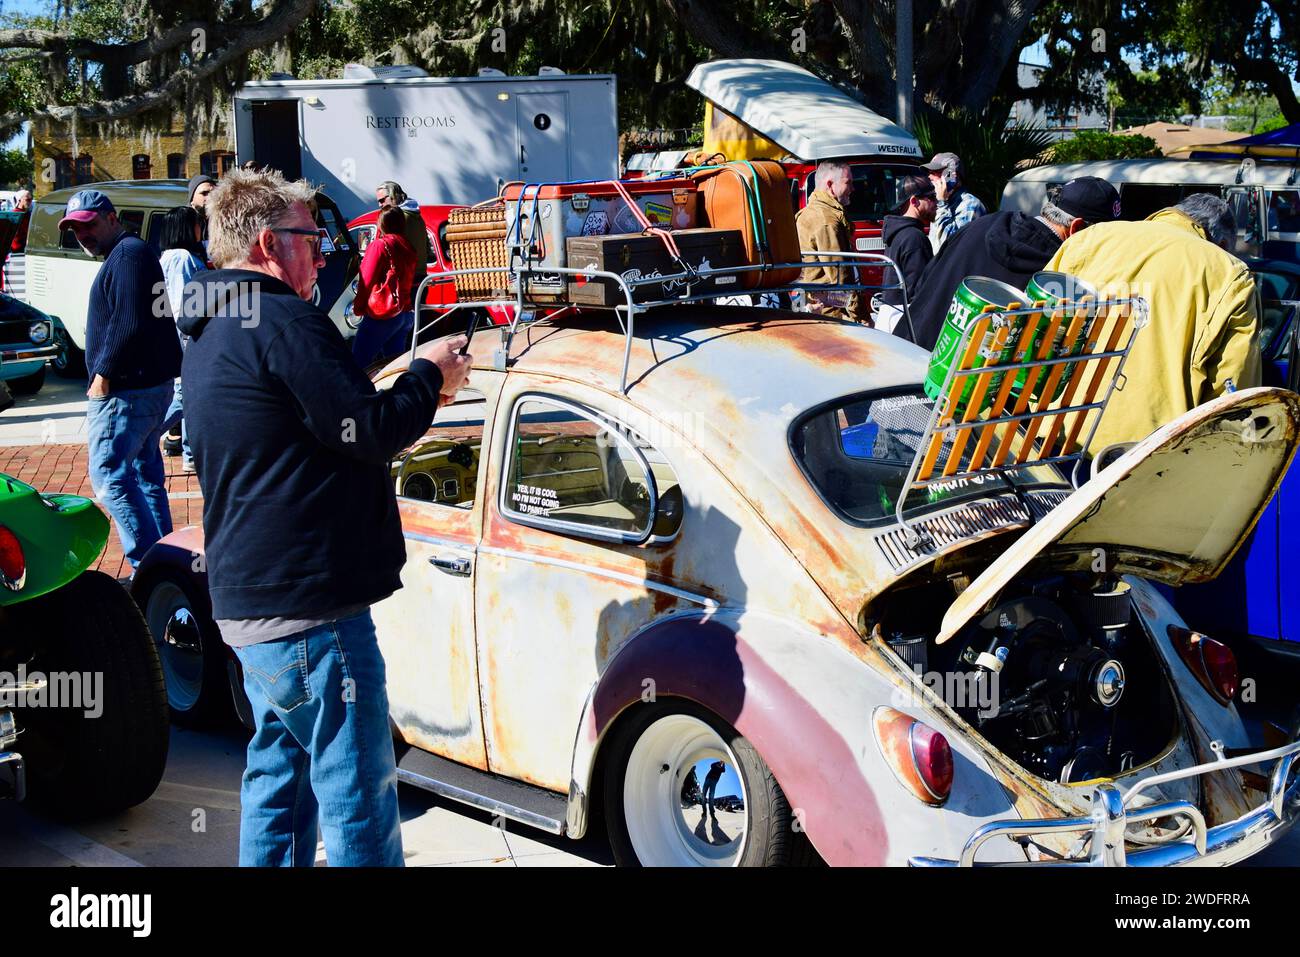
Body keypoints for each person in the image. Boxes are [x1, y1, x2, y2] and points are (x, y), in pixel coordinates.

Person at [177, 167, 472, 867]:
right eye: (312, 238)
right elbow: (366, 429)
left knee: (279, 784)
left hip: (253, 607)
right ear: (268, 244)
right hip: (312, 615)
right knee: (359, 797)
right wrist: (429, 376)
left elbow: (315, 426)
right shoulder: (280, 317)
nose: (324, 252)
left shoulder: (215, 325)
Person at [1045, 193, 1261, 454]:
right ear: (1223, 242)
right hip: (1143, 451)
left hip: (1050, 432)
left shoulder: (1091, 238)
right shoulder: (1229, 272)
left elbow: (1038, 321)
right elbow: (1232, 386)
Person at [63, 189, 181, 569]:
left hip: (129, 390)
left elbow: (128, 321)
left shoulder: (128, 253)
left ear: (112, 218)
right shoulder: (129, 252)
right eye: (76, 230)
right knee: (144, 474)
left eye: (90, 225)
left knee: (110, 476)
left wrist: (102, 375)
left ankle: (149, 568)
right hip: (143, 387)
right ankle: (167, 566)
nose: (83, 235)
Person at [901, 176, 1121, 350]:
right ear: (1077, 228)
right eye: (1105, 235)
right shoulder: (1054, 275)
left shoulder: (982, 224)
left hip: (903, 355)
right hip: (953, 392)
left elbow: (923, 282)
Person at [158, 205, 207, 472]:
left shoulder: (171, 256)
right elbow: (181, 302)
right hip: (185, 332)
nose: (201, 228)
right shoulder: (181, 258)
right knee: (183, 393)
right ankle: (147, 434)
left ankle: (190, 455)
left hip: (179, 332)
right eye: (197, 223)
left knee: (186, 393)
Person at [795, 160, 868, 323]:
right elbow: (841, 281)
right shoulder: (826, 221)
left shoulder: (809, 213)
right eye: (848, 183)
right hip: (834, 317)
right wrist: (862, 317)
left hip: (822, 313)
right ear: (830, 184)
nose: (853, 189)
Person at [352, 206, 417, 368]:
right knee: (395, 366)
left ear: (381, 223)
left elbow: (366, 279)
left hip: (383, 315)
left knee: (358, 363)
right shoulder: (408, 247)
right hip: (404, 312)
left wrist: (358, 307)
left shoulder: (379, 245)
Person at [874, 175, 937, 334]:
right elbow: (919, 293)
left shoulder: (897, 233)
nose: (936, 203)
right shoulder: (914, 238)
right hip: (904, 322)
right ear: (914, 201)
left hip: (889, 317)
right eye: (931, 198)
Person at [375, 181, 431, 304]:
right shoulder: (418, 217)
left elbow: (386, 249)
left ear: (393, 196)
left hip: (404, 281)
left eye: (382, 200)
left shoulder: (396, 219)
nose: (380, 205)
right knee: (417, 320)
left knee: (401, 321)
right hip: (421, 279)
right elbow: (427, 249)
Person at [922, 152, 986, 251]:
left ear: (951, 176)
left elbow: (950, 247)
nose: (929, 177)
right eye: (929, 173)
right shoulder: (940, 203)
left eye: (934, 172)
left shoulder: (970, 204)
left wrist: (941, 203)